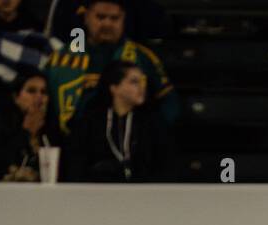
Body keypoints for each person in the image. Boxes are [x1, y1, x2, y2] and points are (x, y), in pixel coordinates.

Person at [43, 0, 178, 135]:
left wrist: (152, 135)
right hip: (71, 144)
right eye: (100, 17)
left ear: (123, 19)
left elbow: (169, 102)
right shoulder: (59, 58)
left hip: (129, 144)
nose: (107, 24)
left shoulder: (143, 57)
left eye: (114, 18)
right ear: (86, 17)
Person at [64, 61, 175, 182]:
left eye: (142, 81)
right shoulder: (91, 121)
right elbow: (76, 165)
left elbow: (166, 165)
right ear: (114, 88)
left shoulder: (152, 122)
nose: (142, 87)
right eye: (134, 82)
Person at [0, 66, 56, 181]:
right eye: (31, 91)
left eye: (44, 92)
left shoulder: (54, 131)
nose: (39, 97)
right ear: (16, 97)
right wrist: (26, 132)